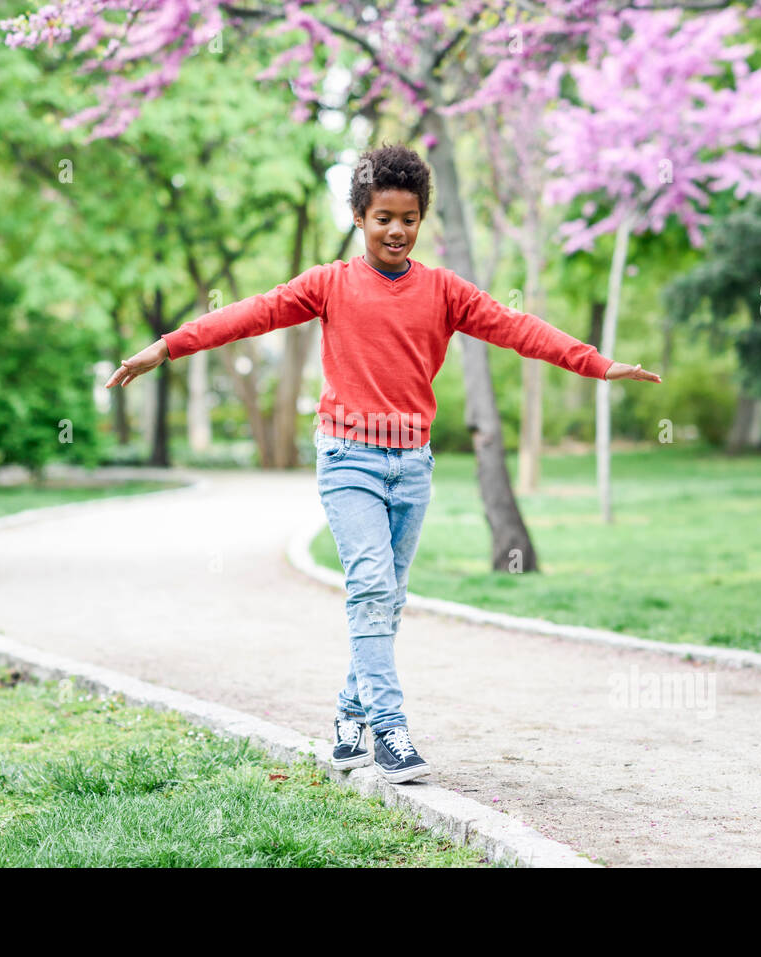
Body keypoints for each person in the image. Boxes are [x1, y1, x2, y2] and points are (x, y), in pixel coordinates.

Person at [105, 143, 661, 784]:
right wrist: (169, 346)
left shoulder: (445, 291)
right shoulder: (329, 284)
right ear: (359, 218)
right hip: (349, 460)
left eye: (408, 218)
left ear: (421, 219)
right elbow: (249, 314)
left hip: (413, 465)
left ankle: (349, 715)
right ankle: (391, 733)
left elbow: (518, 328)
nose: (396, 230)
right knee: (371, 587)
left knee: (385, 600)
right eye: (382, 218)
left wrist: (596, 363)